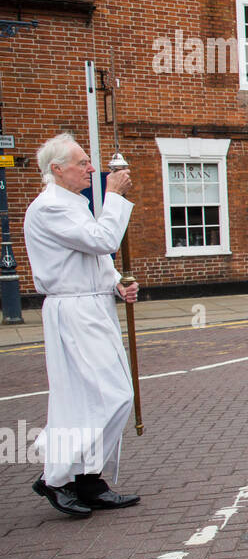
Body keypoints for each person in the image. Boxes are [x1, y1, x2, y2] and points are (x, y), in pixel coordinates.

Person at [23, 134, 141, 518]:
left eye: (89, 162)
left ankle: (88, 479)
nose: (91, 168)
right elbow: (102, 239)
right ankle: (56, 478)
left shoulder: (73, 204)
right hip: (72, 311)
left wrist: (115, 283)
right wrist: (116, 196)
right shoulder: (49, 208)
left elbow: (93, 258)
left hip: (92, 306)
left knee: (114, 394)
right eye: (82, 162)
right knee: (93, 396)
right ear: (56, 170)